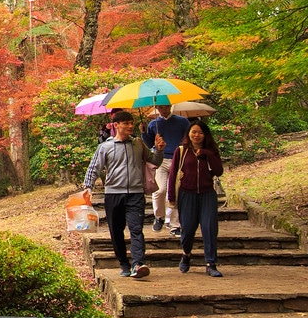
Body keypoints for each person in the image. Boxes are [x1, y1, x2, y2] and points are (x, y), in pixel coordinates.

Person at [83, 109, 156, 279]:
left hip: (136, 193)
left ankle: (138, 263)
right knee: (116, 231)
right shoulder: (105, 147)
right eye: (126, 123)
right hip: (113, 194)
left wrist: (159, 149)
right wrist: (88, 186)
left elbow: (155, 160)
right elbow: (94, 167)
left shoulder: (138, 143)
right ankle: (124, 263)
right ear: (116, 125)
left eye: (131, 123)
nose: (130, 126)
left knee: (136, 229)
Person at [168, 120, 225, 276]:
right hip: (187, 194)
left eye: (200, 132)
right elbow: (173, 174)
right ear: (188, 134)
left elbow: (219, 171)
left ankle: (211, 263)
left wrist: (207, 154)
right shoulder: (181, 151)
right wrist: (171, 196)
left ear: (205, 135)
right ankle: (186, 255)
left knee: (209, 228)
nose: (197, 135)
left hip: (207, 194)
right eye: (194, 132)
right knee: (187, 229)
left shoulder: (211, 150)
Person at [144, 103, 192, 236]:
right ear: (157, 108)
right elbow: (149, 143)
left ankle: (175, 224)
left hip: (178, 158)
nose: (163, 110)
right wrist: (143, 132)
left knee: (176, 190)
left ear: (170, 106)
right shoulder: (154, 124)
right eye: (160, 108)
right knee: (160, 190)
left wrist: (185, 143)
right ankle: (159, 216)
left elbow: (189, 137)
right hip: (161, 159)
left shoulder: (182, 121)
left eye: (165, 107)